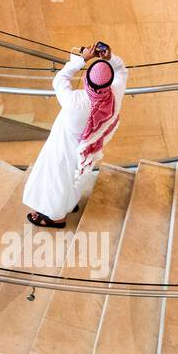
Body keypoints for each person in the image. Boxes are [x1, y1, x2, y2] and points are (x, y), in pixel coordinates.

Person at [23, 42, 128, 228]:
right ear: (109, 81)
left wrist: (82, 59)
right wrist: (110, 58)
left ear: (87, 80)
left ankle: (56, 217)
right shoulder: (115, 94)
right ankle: (69, 204)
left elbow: (59, 79)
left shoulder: (75, 101)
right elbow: (121, 70)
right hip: (90, 148)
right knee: (76, 178)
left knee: (57, 180)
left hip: (64, 147)